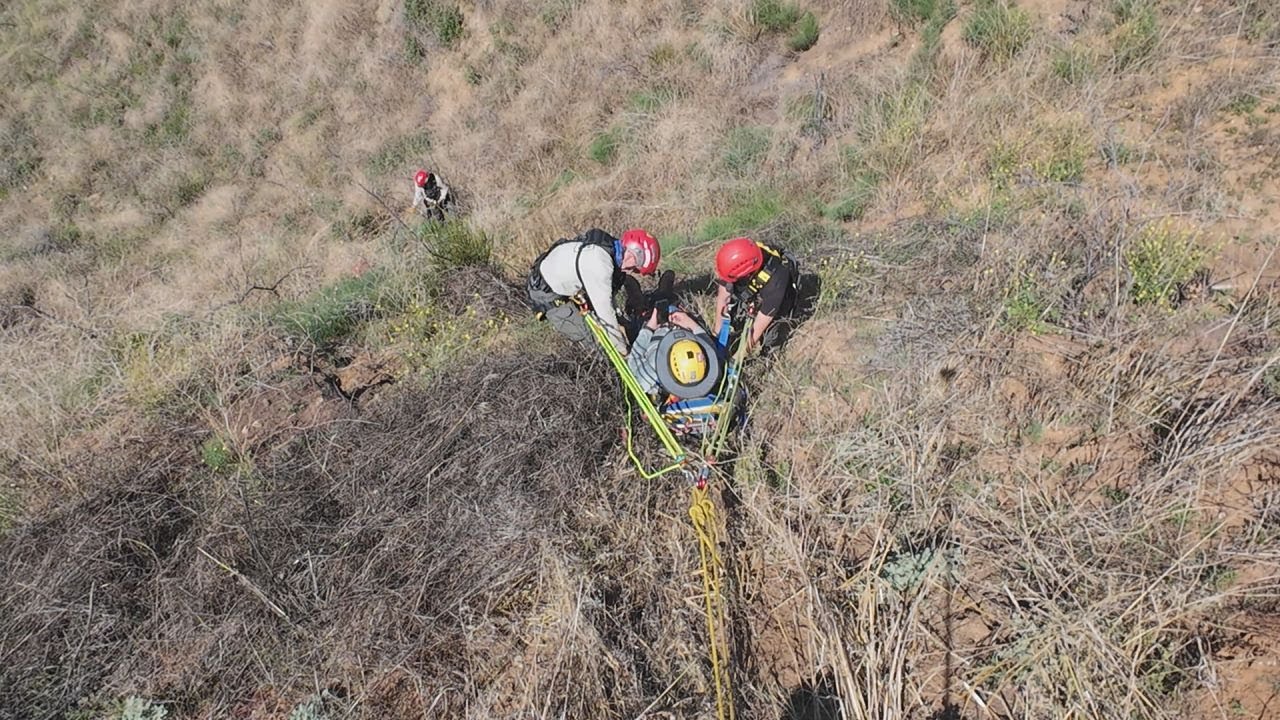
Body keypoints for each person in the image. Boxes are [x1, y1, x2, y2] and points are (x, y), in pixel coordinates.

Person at [527, 228, 660, 355]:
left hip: (569, 281)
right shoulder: (599, 264)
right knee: (598, 344)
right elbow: (606, 315)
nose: (631, 272)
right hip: (546, 293)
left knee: (620, 326)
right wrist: (623, 351)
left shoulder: (609, 250)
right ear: (631, 255)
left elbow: (609, 303)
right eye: (635, 269)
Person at [713, 236, 799, 354]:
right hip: (754, 285)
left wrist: (739, 356)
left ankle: (770, 353)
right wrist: (716, 336)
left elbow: (759, 327)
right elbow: (724, 297)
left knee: (771, 335)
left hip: (778, 301)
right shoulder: (735, 261)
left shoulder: (775, 283)